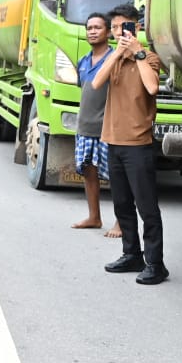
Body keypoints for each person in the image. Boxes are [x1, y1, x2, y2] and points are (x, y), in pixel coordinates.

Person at [93, 3, 167, 284]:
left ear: (135, 27)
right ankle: (131, 254)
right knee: (121, 204)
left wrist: (136, 52)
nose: (116, 33)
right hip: (113, 140)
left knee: (146, 206)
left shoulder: (148, 57)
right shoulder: (115, 59)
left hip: (138, 143)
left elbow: (152, 87)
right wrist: (118, 54)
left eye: (122, 27)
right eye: (113, 28)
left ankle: (156, 263)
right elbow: (97, 82)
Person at [71, 12, 116, 233]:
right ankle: (94, 217)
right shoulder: (83, 61)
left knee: (116, 177)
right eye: (89, 28)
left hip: (108, 128)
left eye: (98, 28)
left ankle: (121, 222)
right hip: (85, 127)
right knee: (89, 173)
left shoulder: (115, 59)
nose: (92, 32)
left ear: (108, 32)